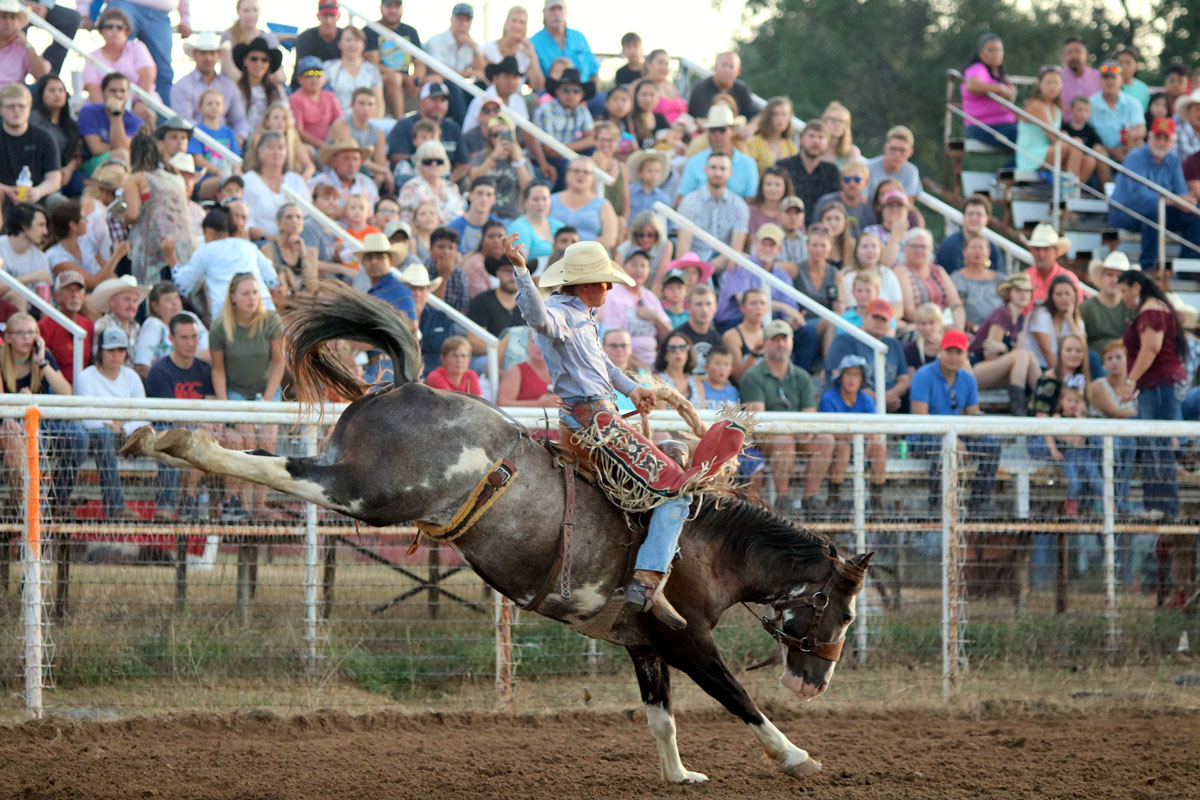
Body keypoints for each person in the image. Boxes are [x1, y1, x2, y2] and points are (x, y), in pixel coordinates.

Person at [509, 235, 746, 629]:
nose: (609, 288)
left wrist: (633, 389)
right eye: (605, 282)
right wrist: (521, 271)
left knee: (672, 454)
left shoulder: (581, 314)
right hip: (593, 423)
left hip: (598, 417)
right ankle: (648, 579)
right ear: (587, 285)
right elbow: (538, 319)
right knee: (678, 488)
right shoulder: (561, 313)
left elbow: (603, 364)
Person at [1117, 270, 1189, 529]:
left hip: (1159, 384)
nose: (1122, 296)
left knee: (1156, 444)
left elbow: (1151, 348)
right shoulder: (1155, 309)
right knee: (1156, 443)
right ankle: (1162, 505)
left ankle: (1162, 506)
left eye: (1124, 290)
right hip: (1161, 385)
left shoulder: (1151, 312)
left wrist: (1130, 380)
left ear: (1136, 287)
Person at [210, 272, 285, 520]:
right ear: (233, 297)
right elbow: (218, 369)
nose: (252, 297)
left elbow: (278, 364)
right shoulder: (220, 326)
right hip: (235, 393)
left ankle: (260, 504)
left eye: (255, 292)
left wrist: (268, 398)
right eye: (245, 293)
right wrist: (224, 407)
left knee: (267, 441)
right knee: (247, 440)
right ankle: (239, 503)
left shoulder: (272, 321)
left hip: (267, 392)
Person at [740, 318, 833, 514]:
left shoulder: (801, 376)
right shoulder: (753, 375)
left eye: (785, 339)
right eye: (775, 339)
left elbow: (809, 415)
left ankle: (811, 497)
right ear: (765, 344)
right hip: (765, 437)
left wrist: (803, 431)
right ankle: (783, 497)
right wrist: (794, 430)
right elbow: (758, 421)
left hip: (794, 433)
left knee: (825, 439)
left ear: (792, 342)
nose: (780, 343)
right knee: (784, 439)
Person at [0, 311, 85, 513]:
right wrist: (20, 405)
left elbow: (66, 393)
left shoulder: (43, 357)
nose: (27, 337)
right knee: (19, 438)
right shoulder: (1, 357)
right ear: (8, 337)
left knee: (78, 437)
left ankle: (58, 503)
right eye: (20, 332)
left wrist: (42, 363)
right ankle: (30, 507)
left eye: (31, 332)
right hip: (9, 425)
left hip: (40, 424)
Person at [909, 330, 1000, 513]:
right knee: (944, 448)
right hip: (924, 436)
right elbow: (921, 419)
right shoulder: (923, 375)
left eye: (958, 352)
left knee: (991, 446)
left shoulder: (968, 378)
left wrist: (975, 431)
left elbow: (972, 414)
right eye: (949, 351)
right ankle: (938, 505)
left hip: (956, 434)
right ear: (941, 351)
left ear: (966, 355)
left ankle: (979, 505)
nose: (953, 357)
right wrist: (952, 440)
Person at [144, 312, 214, 520]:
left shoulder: (204, 369)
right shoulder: (159, 371)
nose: (190, 343)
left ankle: (223, 505)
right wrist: (201, 423)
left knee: (226, 438)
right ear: (171, 339)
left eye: (194, 337)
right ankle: (170, 504)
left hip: (200, 429)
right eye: (184, 337)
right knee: (174, 438)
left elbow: (211, 404)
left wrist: (205, 424)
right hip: (168, 430)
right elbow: (168, 414)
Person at [73, 326, 147, 521]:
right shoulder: (86, 376)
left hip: (126, 439)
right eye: (111, 350)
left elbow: (144, 416)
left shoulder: (132, 377)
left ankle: (160, 510)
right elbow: (86, 419)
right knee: (104, 436)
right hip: (95, 441)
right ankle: (116, 507)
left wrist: (122, 427)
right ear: (101, 352)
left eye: (120, 350)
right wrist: (113, 425)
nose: (116, 355)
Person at [1109, 118, 1200, 272]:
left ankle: (1188, 267)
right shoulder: (1135, 157)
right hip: (1124, 211)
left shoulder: (1173, 160)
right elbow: (1140, 197)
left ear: (1172, 142)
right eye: (1158, 137)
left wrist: (1187, 202)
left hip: (1157, 209)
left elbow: (1181, 192)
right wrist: (1175, 200)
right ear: (1150, 138)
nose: (1161, 142)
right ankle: (1149, 268)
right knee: (1153, 213)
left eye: (1166, 138)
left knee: (1195, 213)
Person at [167, 207, 280, 324]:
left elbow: (182, 285)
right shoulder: (248, 246)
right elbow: (273, 281)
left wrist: (170, 256)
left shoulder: (206, 250)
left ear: (208, 232)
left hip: (228, 320)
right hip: (263, 313)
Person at [122, 130, 194, 286]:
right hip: (182, 244)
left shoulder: (136, 178)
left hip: (150, 245)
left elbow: (133, 214)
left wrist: (122, 218)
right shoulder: (176, 177)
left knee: (151, 294)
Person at [819, 354, 886, 510]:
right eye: (848, 374)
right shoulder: (828, 398)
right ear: (841, 377)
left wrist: (858, 434)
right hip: (836, 448)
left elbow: (874, 429)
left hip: (863, 448)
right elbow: (829, 430)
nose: (852, 379)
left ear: (862, 379)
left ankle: (877, 501)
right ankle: (834, 499)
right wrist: (859, 433)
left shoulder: (867, 400)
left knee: (879, 445)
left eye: (856, 375)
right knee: (843, 447)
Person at [968, 272, 1042, 414]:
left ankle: (1041, 405)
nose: (1023, 295)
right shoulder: (1003, 313)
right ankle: (1019, 410)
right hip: (976, 368)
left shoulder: (1020, 317)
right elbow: (990, 354)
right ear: (1009, 293)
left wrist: (1004, 348)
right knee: (1022, 355)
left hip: (998, 369)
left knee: (1029, 356)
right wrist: (1006, 350)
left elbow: (1016, 351)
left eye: (1027, 291)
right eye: (1018, 291)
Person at [824, 298, 910, 412]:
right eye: (875, 317)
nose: (879, 322)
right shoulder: (845, 340)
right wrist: (881, 400)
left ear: (890, 323)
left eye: (884, 319)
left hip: (892, 403)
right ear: (864, 316)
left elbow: (904, 378)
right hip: (854, 406)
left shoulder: (893, 343)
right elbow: (839, 377)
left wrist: (889, 396)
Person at [1087, 341, 1139, 516]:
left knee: (1129, 444)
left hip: (1129, 436)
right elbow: (1113, 412)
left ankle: (1121, 501)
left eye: (1119, 357)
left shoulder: (1136, 385)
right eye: (1109, 358)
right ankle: (1107, 501)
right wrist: (1138, 415)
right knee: (1114, 446)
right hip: (1100, 435)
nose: (1114, 362)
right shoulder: (1098, 385)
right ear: (1104, 363)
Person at [171, 32, 249, 144]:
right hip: (194, 143)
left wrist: (237, 140)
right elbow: (184, 121)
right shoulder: (182, 86)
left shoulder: (229, 86)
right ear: (195, 54)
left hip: (224, 144)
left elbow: (240, 121)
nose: (208, 58)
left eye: (212, 53)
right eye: (203, 53)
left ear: (218, 56)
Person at [675, 152, 749, 270]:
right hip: (694, 264)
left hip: (725, 263)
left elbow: (736, 247)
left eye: (722, 168)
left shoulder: (739, 205)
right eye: (713, 167)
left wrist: (714, 265)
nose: (718, 173)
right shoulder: (689, 202)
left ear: (730, 173)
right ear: (706, 170)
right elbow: (683, 246)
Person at [80, 7, 156, 118]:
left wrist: (141, 102)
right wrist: (110, 114)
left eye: (120, 27)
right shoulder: (93, 57)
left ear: (127, 31)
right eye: (109, 27)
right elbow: (93, 89)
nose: (114, 31)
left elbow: (148, 76)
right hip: (105, 107)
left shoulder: (137, 48)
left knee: (149, 115)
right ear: (101, 31)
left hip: (139, 104)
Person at [386, 81, 466, 177]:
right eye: (434, 99)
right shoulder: (404, 126)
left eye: (443, 100)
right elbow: (398, 159)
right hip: (412, 179)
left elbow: (464, 164)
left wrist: (445, 183)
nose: (439, 104)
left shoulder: (453, 128)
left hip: (444, 181)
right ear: (420, 101)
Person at [240, 131, 311, 240]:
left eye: (280, 148)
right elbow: (247, 221)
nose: (276, 152)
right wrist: (270, 238)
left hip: (296, 242)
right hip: (262, 243)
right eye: (271, 148)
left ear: (286, 152)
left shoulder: (295, 179)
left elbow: (307, 215)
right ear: (260, 153)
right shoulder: (249, 180)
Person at [532, 68, 595, 189]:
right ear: (557, 91)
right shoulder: (546, 110)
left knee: (592, 152)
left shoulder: (582, 110)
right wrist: (571, 151)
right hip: (546, 159)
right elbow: (548, 150)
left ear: (581, 95)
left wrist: (566, 150)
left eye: (576, 91)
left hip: (566, 154)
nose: (571, 95)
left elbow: (591, 138)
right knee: (568, 166)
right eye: (566, 90)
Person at [0, 83, 60, 210]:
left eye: (21, 106)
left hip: (36, 198)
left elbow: (54, 178)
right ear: (1, 109)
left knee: (59, 202)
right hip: (2, 197)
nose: (16, 110)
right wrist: (5, 190)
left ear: (29, 107)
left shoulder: (44, 137)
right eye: (10, 106)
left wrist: (38, 191)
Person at [530, 0, 600, 108]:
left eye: (559, 9)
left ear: (565, 11)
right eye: (552, 10)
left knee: (601, 100)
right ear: (544, 12)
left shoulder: (579, 37)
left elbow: (594, 72)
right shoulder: (534, 42)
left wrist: (587, 96)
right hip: (551, 97)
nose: (556, 13)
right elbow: (536, 83)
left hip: (583, 96)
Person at [895, 228, 965, 332]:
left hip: (946, 325)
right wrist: (938, 328)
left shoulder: (938, 270)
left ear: (930, 249)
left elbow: (956, 304)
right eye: (914, 246)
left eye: (923, 247)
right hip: (919, 327)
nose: (919, 250)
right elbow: (909, 311)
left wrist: (958, 327)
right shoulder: (901, 271)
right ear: (905, 248)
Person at [134, 280, 208, 377]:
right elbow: (143, 367)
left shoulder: (190, 317)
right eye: (168, 300)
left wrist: (175, 360)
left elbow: (209, 354)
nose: (175, 303)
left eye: (177, 298)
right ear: (155, 306)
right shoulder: (153, 325)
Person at [363, 0, 423, 119]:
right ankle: (399, 122)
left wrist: (416, 79)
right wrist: (405, 77)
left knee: (434, 80)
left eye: (397, 6)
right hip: (381, 79)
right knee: (395, 78)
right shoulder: (371, 30)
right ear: (381, 8)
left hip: (405, 80)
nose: (393, 10)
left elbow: (420, 62)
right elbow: (373, 64)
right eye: (389, 6)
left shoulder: (410, 31)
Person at [44, 199, 123, 288]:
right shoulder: (56, 256)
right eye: (83, 218)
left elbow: (108, 273)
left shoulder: (86, 243)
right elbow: (92, 283)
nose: (87, 222)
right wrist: (116, 256)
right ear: (73, 226)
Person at [961, 33, 1018, 152]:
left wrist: (1009, 94)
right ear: (981, 53)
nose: (995, 53)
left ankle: (1011, 169)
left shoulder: (996, 74)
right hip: (983, 126)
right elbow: (972, 85)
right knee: (1029, 136)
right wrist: (1001, 89)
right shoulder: (978, 68)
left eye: (998, 50)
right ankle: (1008, 170)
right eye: (991, 50)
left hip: (1003, 124)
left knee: (1034, 135)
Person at [76, 72, 140, 177]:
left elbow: (121, 147)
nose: (118, 95)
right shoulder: (88, 112)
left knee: (124, 156)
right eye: (113, 90)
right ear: (103, 92)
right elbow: (96, 149)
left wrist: (116, 114)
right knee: (122, 154)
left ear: (128, 94)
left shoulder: (135, 121)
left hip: (123, 163)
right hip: (91, 163)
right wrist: (116, 113)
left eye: (122, 91)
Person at [468, 116, 531, 222]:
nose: (500, 138)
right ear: (489, 138)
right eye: (495, 135)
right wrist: (493, 157)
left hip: (511, 216)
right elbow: (474, 179)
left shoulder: (522, 160)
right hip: (484, 214)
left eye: (505, 134)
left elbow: (528, 189)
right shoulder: (481, 157)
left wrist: (518, 161)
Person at [1081, 250, 1137, 361]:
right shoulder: (1086, 308)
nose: (1114, 280)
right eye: (1110, 274)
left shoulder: (1133, 308)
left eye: (1119, 276)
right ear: (1102, 277)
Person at [30, 75, 81, 198]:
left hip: (63, 174)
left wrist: (69, 168)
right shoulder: (32, 118)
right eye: (52, 90)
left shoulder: (70, 124)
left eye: (61, 90)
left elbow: (77, 153)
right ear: (41, 94)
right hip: (37, 174)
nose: (57, 94)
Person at [773, 120, 839, 215]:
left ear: (827, 143)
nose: (816, 141)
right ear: (801, 140)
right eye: (811, 136)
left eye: (821, 137)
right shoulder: (783, 166)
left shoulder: (832, 171)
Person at [310, 137, 379, 222]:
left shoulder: (368, 184)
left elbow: (374, 217)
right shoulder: (318, 182)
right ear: (334, 161)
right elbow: (308, 213)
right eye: (346, 159)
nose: (352, 164)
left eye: (355, 159)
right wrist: (339, 213)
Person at [1088, 60, 1145, 162]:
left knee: (1138, 143)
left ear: (1121, 80)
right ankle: (1108, 179)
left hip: (1126, 149)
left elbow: (1141, 128)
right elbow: (1085, 132)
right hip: (1102, 153)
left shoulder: (1133, 103)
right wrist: (1111, 150)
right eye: (1105, 78)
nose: (1109, 81)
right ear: (1100, 81)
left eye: (1113, 77)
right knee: (1098, 151)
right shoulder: (1090, 104)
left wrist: (1132, 135)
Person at [1027, 273, 1087, 371]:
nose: (1064, 298)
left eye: (1067, 294)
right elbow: (1047, 352)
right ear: (1051, 297)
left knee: (1092, 357)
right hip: (1041, 368)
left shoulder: (1077, 321)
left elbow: (1082, 348)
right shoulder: (1041, 315)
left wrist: (1070, 320)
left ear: (1075, 296)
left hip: (1066, 369)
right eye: (1059, 294)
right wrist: (1064, 378)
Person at [397, 139, 463, 225]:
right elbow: (405, 221)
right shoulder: (411, 187)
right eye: (428, 161)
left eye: (439, 161)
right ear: (419, 164)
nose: (434, 164)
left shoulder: (452, 187)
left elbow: (460, 214)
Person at [322, 26, 383, 118]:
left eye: (357, 40)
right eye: (348, 40)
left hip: (365, 123)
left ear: (363, 45)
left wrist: (375, 123)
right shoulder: (328, 67)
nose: (352, 44)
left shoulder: (372, 69)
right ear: (339, 44)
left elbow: (379, 102)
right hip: (337, 123)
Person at [244, 103, 315, 181]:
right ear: (266, 121)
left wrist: (300, 184)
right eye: (276, 117)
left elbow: (310, 167)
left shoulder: (292, 140)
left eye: (284, 118)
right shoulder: (259, 137)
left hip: (285, 183)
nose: (280, 121)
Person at [934, 194, 1002, 274]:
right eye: (970, 214)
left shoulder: (993, 249)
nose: (974, 218)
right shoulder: (948, 245)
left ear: (987, 219)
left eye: (979, 214)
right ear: (963, 216)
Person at [482, 5, 544, 91]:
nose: (517, 26)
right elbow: (482, 76)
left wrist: (532, 56)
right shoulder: (488, 48)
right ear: (506, 24)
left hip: (516, 100)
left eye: (522, 22)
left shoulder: (525, 53)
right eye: (514, 21)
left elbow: (538, 85)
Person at [950, 233, 1003, 332]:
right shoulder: (957, 278)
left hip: (999, 328)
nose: (977, 251)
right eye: (973, 247)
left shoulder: (1000, 279)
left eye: (981, 248)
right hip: (971, 330)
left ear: (988, 252)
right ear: (965, 252)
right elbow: (956, 305)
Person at [261, 204, 319, 295]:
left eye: (299, 217)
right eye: (289, 217)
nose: (295, 221)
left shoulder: (310, 251)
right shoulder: (269, 249)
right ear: (279, 223)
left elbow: (312, 287)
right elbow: (271, 283)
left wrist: (304, 256)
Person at [220, 0, 283, 82]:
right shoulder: (228, 35)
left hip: (265, 84)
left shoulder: (269, 37)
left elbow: (280, 73)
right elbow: (229, 71)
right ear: (238, 12)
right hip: (236, 85)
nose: (251, 15)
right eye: (246, 10)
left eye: (255, 10)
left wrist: (276, 76)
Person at [1022, 222, 1082, 309]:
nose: (1041, 254)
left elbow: (1076, 312)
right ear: (1032, 251)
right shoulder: (1025, 277)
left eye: (1046, 249)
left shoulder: (1070, 279)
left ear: (1056, 252)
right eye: (1037, 249)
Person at [289, 55, 342, 150]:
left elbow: (340, 121)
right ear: (299, 79)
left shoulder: (330, 96)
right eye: (309, 74)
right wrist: (324, 146)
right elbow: (299, 131)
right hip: (308, 148)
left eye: (318, 74)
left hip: (332, 144)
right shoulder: (295, 99)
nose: (314, 78)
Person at [0, 203, 51, 301]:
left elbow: (44, 298)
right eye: (41, 225)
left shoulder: (41, 258)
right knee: (17, 296)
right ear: (24, 225)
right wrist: (29, 278)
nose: (45, 232)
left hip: (30, 312)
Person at [686, 51, 755, 120]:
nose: (726, 70)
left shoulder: (742, 89)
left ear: (738, 71)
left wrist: (751, 126)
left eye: (731, 67)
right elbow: (698, 120)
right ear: (715, 67)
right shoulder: (700, 89)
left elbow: (753, 116)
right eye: (723, 65)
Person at [506, 181, 563, 264]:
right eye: (535, 199)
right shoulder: (519, 228)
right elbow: (520, 264)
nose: (540, 204)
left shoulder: (559, 226)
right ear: (525, 203)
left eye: (544, 199)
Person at [814, 158, 875, 233]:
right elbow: (814, 231)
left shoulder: (868, 210)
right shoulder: (825, 202)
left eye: (857, 180)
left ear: (866, 181)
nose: (852, 184)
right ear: (841, 181)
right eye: (847, 179)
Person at [292, 0, 343, 88]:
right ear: (318, 16)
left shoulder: (345, 36)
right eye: (325, 16)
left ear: (338, 16)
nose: (329, 21)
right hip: (308, 84)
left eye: (332, 15)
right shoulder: (305, 37)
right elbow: (304, 68)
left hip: (337, 85)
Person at [615, 210, 673, 286]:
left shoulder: (665, 246)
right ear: (635, 235)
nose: (645, 239)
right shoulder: (623, 249)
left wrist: (648, 297)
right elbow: (618, 280)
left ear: (657, 234)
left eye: (650, 235)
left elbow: (658, 281)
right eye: (641, 235)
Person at [496, 338, 557, 407]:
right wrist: (538, 404)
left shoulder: (563, 371)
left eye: (546, 342)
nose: (539, 345)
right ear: (528, 346)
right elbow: (502, 403)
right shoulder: (516, 371)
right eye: (534, 341)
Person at [448, 176, 500, 255]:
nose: (484, 199)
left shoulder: (498, 227)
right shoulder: (453, 227)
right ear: (470, 196)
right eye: (480, 193)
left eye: (489, 195)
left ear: (494, 200)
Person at [865, 125, 920, 200]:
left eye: (902, 150)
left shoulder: (911, 171)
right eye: (893, 149)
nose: (897, 154)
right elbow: (862, 201)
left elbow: (907, 204)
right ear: (885, 148)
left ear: (910, 152)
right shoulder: (868, 168)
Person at [0, 0, 46, 85]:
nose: (9, 22)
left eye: (13, 17)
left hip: (13, 95)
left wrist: (27, 44)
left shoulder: (23, 48)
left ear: (19, 23)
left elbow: (42, 76)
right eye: (3, 17)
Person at [747, 166, 794, 244]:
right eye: (768, 184)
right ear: (761, 187)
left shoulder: (793, 211)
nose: (773, 188)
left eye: (777, 185)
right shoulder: (751, 212)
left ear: (785, 188)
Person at [1060, 36, 1100, 122]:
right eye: (1069, 52)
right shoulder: (1057, 78)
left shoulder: (1099, 77)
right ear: (1064, 56)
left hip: (1093, 130)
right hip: (1064, 129)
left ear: (1086, 55)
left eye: (1078, 51)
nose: (1073, 56)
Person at [643, 48, 686, 125]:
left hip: (686, 129)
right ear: (648, 64)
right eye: (660, 63)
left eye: (666, 64)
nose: (664, 67)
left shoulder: (670, 85)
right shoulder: (641, 85)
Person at [1117, 46, 1150, 112]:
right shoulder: (1109, 85)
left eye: (1128, 63)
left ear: (1137, 66)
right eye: (1120, 62)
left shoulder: (1143, 89)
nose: (1123, 67)